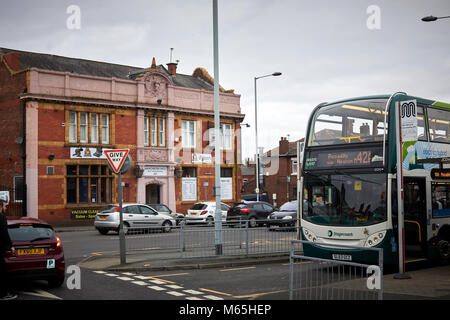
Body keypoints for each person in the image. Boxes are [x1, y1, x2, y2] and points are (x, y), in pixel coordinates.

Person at [0, 194, 17, 300]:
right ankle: (3, 294)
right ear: (0, 206)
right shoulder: (1, 217)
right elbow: (4, 232)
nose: (6, 208)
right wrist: (10, 246)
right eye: (5, 206)